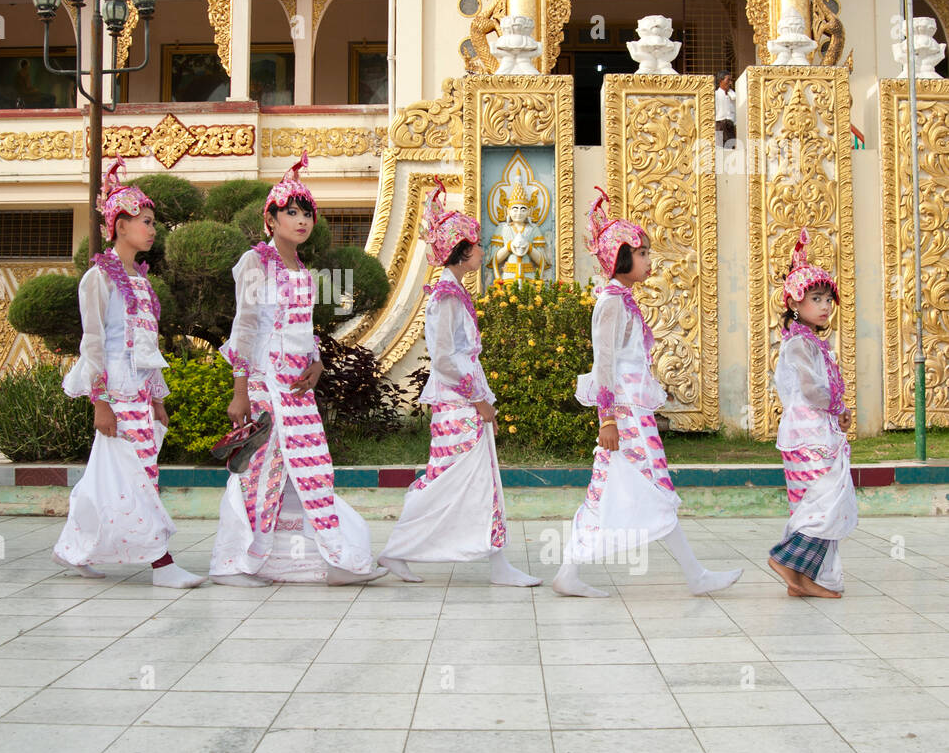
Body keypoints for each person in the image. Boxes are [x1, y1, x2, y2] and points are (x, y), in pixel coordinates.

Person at [552, 187, 742, 598]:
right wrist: (606, 418)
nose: (649, 260)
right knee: (649, 487)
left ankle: (690, 574)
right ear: (621, 258)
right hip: (623, 414)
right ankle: (694, 575)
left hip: (631, 410)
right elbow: (603, 363)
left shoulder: (622, 301)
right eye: (642, 253)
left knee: (624, 489)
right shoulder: (611, 304)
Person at [208, 153, 386, 586]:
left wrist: (318, 364)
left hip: (299, 390)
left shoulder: (303, 270)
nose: (301, 220)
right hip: (265, 385)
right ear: (270, 219)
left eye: (306, 212)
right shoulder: (256, 262)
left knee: (314, 468)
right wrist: (240, 390)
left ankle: (327, 559)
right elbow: (245, 326)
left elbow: (304, 331)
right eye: (291, 212)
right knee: (261, 472)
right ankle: (233, 564)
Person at [378, 180, 541, 586]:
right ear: (463, 251)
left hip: (463, 402)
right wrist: (479, 401)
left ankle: (495, 563)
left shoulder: (453, 292)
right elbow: (447, 358)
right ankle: (398, 549)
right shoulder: (446, 297)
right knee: (447, 481)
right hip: (457, 404)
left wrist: (483, 400)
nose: (483, 251)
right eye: (478, 245)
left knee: (471, 480)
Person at [51, 158, 204, 588]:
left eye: (154, 222)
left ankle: (76, 548)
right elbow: (93, 343)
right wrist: (100, 402)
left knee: (113, 477)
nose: (153, 229)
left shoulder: (142, 280)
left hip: (139, 392)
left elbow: (148, 346)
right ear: (118, 225)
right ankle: (162, 563)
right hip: (115, 391)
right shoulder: (97, 278)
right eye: (146, 221)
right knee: (135, 476)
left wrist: (157, 397)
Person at [767, 229, 857, 598]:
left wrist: (840, 410)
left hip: (816, 432)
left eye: (827, 299)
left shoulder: (810, 342)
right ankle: (787, 560)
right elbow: (811, 391)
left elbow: (821, 390)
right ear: (795, 303)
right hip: (809, 435)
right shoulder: (801, 345)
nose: (824, 306)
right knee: (825, 502)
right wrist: (837, 406)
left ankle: (807, 579)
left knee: (821, 502)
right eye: (815, 298)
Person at [715, 71, 736, 150]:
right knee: (719, 151)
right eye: (728, 80)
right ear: (721, 81)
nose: (730, 83)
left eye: (731, 80)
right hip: (719, 126)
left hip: (730, 127)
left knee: (731, 151)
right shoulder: (715, 95)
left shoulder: (733, 95)